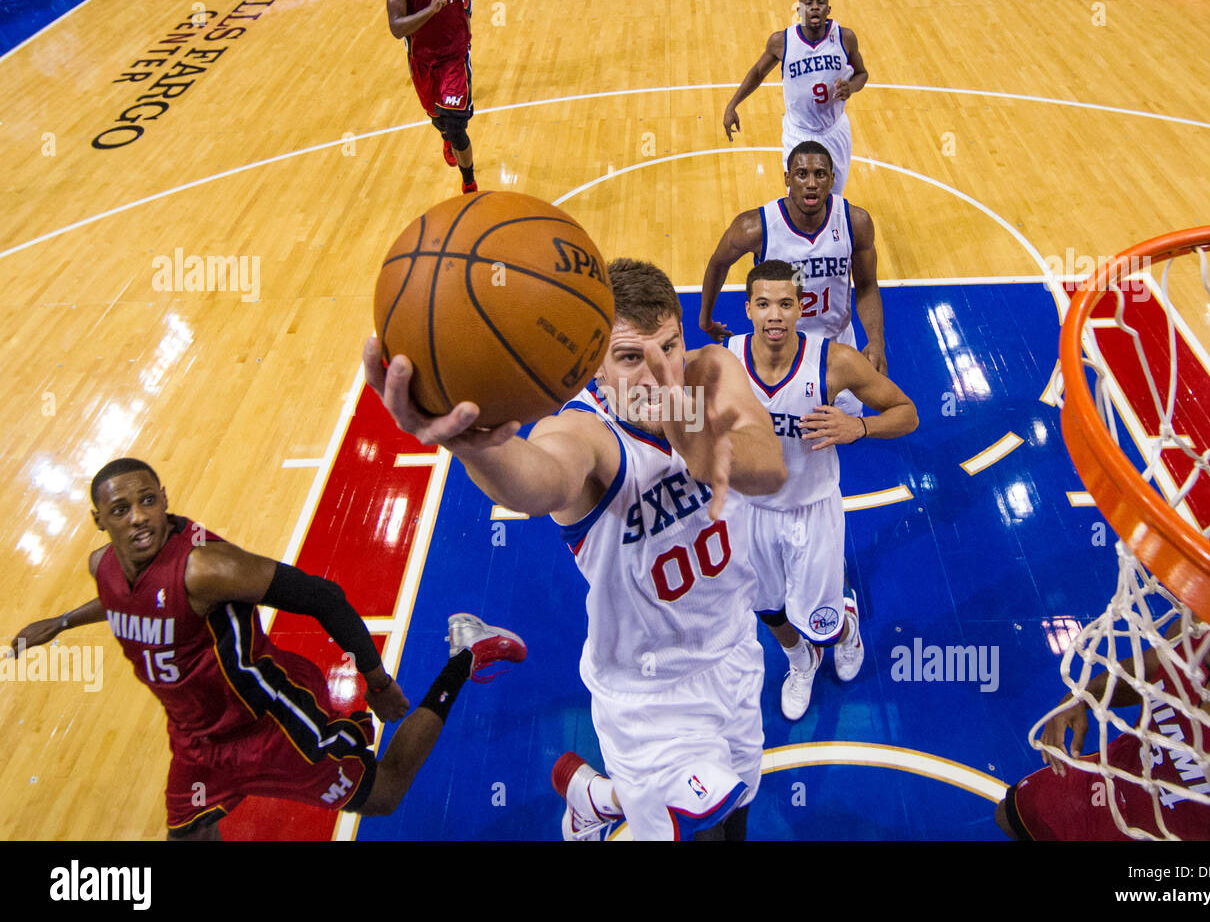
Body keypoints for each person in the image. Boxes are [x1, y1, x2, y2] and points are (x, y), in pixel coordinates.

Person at [363, 258, 787, 841]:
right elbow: (538, 479)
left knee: (740, 809)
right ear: (595, 368)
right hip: (649, 697)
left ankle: (593, 795)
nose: (658, 374)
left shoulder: (711, 372)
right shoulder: (586, 435)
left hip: (735, 654)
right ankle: (616, 795)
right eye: (632, 358)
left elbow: (770, 469)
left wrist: (687, 425)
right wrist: (475, 449)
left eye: (669, 347)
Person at [7, 458, 525, 839]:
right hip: (196, 741)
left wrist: (378, 680)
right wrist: (61, 620)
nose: (140, 517)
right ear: (100, 520)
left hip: (269, 725)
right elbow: (122, 599)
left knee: (385, 793)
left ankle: (464, 653)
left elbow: (323, 596)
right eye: (121, 509)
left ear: (164, 497)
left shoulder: (206, 569)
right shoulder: (103, 566)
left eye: (148, 500)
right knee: (188, 835)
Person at [730, 260, 917, 720]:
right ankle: (800, 661)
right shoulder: (724, 361)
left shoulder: (834, 362)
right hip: (750, 511)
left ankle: (846, 631)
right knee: (768, 608)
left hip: (811, 510)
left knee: (821, 620)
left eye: (785, 304)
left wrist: (859, 426)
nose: (774, 315)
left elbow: (907, 412)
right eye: (764, 304)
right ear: (748, 309)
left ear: (801, 306)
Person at [997, 621, 1210, 840]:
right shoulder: (1198, 635)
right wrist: (1083, 696)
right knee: (1009, 816)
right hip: (1116, 777)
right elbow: (1152, 669)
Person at [700, 140, 885, 424]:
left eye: (820, 174)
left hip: (836, 346)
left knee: (845, 429)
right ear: (787, 178)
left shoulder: (854, 222)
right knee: (777, 435)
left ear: (832, 179)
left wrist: (876, 340)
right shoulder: (756, 227)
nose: (811, 183)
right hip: (779, 350)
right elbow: (718, 263)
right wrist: (705, 318)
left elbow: (867, 285)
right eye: (801, 174)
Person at [722, 0, 869, 196]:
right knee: (800, 197)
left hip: (834, 131)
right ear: (799, 10)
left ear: (828, 10)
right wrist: (732, 104)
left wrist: (851, 87)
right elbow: (757, 73)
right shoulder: (782, 42)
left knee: (833, 196)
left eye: (820, 3)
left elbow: (862, 73)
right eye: (808, 3)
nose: (814, 7)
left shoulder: (845, 38)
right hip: (798, 132)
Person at [386, 0, 479, 194]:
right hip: (423, 60)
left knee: (456, 125)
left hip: (455, 53)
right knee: (438, 117)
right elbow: (397, 28)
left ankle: (469, 183)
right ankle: (444, 135)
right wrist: (430, 10)